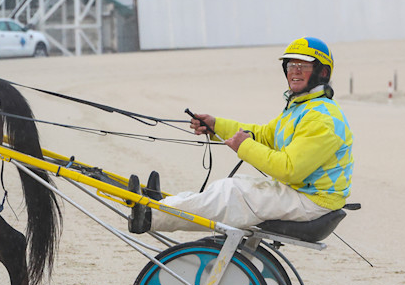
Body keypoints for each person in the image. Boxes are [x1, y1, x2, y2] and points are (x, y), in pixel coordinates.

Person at [129, 36, 354, 234]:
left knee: (233, 193)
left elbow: (289, 170)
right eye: (291, 65)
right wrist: (216, 126)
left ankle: (150, 216)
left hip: (314, 202)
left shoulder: (321, 118)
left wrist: (243, 147)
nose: (294, 71)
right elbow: (264, 135)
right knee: (227, 187)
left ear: (322, 72)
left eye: (303, 66)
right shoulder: (302, 107)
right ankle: (163, 204)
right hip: (301, 194)